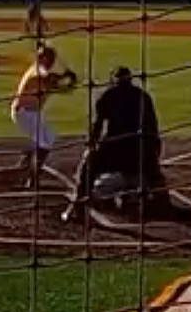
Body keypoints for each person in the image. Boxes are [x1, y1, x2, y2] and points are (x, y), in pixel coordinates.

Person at [62, 67, 166, 223]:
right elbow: (153, 130)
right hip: (140, 154)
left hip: (115, 151)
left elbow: (96, 128)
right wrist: (153, 157)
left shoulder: (108, 96)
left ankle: (77, 206)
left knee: (88, 164)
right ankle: (159, 200)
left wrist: (92, 144)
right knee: (155, 173)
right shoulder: (142, 96)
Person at [9, 45, 78, 189]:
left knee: (47, 138)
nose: (52, 61)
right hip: (24, 113)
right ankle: (32, 180)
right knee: (45, 143)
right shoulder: (37, 71)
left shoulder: (42, 71)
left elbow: (59, 87)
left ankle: (26, 162)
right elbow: (49, 80)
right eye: (49, 58)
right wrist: (68, 77)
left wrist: (69, 80)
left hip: (32, 112)